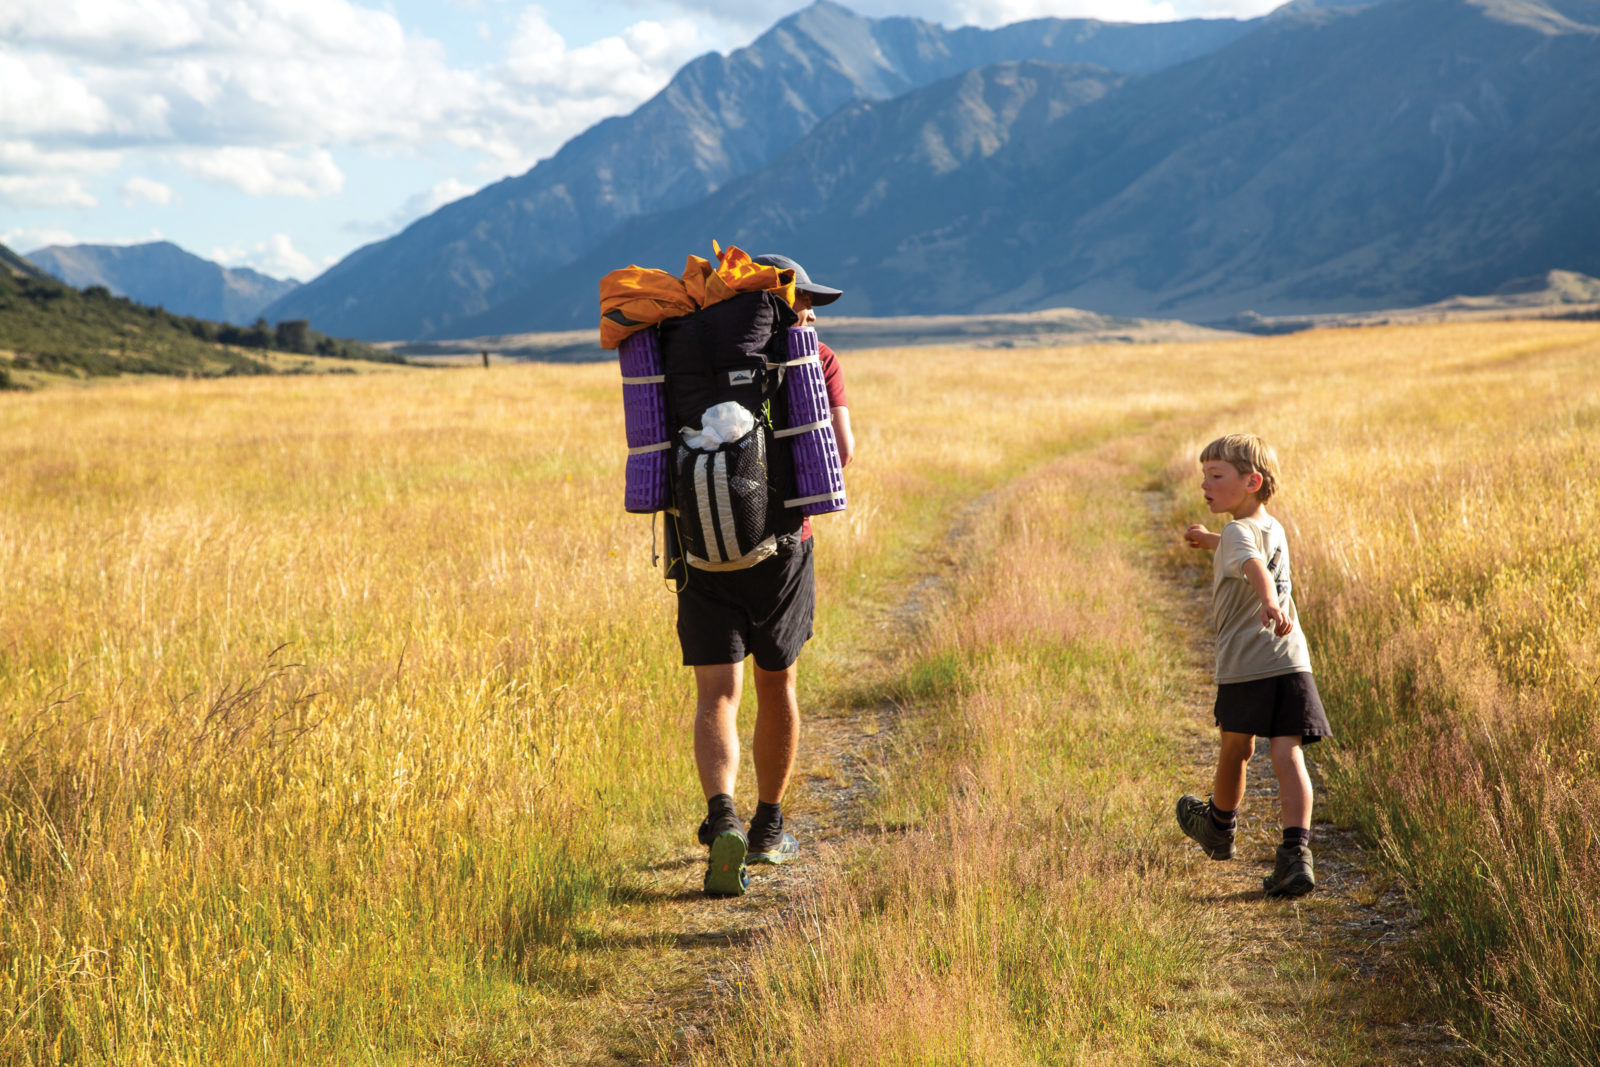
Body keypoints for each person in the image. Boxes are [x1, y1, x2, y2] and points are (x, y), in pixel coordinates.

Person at [684, 253, 853, 896]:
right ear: (788, 302)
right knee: (775, 684)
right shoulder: (816, 360)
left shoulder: (694, 362)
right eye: (805, 300)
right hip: (783, 545)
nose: (809, 310)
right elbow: (841, 452)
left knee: (716, 695)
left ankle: (721, 816)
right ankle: (766, 828)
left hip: (698, 549)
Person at [1175, 433, 1330, 898]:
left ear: (1251, 481)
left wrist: (1266, 601)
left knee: (1236, 748)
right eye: (1204, 474)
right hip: (1291, 660)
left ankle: (1218, 828)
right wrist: (1210, 541)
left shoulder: (1240, 534)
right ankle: (1295, 857)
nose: (1204, 483)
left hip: (1247, 663)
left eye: (1215, 475)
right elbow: (1247, 549)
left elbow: (1253, 567)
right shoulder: (1271, 527)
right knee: (1287, 755)